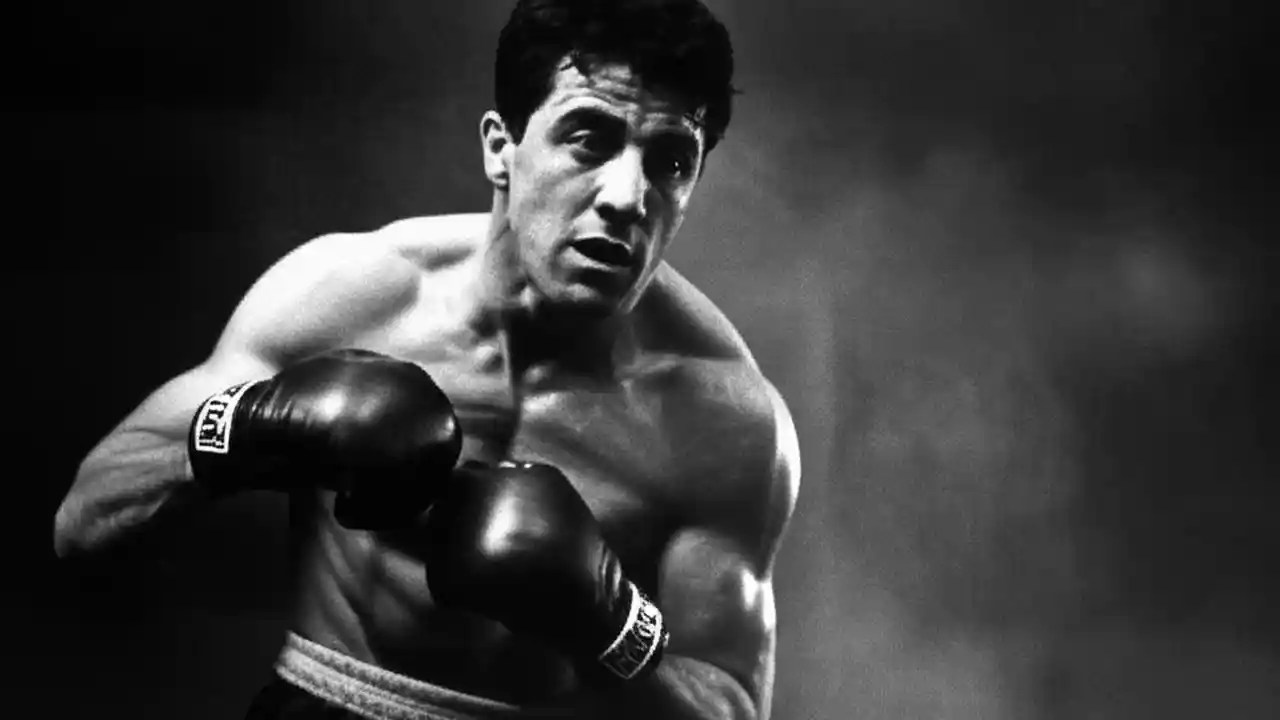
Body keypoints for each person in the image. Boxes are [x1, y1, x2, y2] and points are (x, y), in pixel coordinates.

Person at [53, 0, 801, 718]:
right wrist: (251, 426)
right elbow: (85, 518)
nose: (628, 196)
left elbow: (731, 706)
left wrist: (607, 624)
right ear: (501, 148)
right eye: (589, 139)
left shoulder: (723, 418)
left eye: (671, 161)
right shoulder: (349, 298)